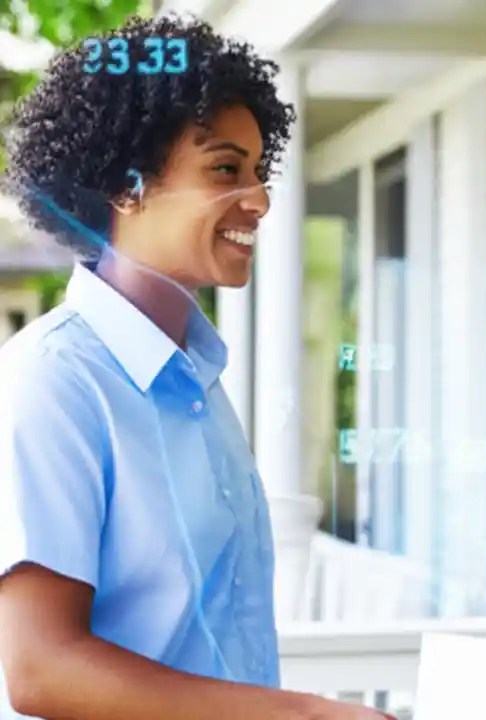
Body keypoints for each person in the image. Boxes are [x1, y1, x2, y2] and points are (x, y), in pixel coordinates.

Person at [0, 14, 392, 720]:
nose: (261, 199)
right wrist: (299, 714)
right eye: (224, 169)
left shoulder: (197, 381)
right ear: (126, 186)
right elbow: (40, 667)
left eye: (258, 171)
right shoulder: (53, 381)